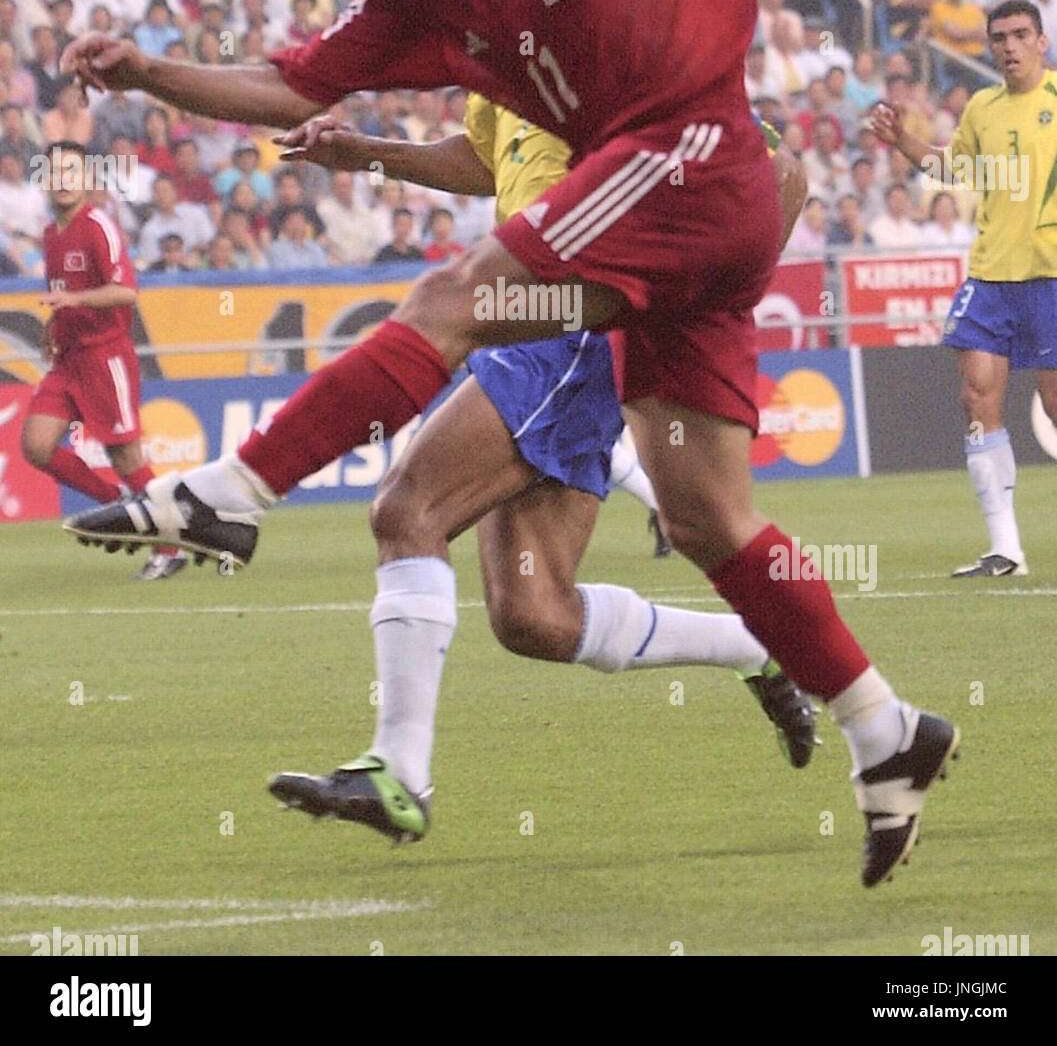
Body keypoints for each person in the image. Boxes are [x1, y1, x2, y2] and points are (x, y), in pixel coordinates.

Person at [62, 0, 998, 888]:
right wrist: (151, 74)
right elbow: (293, 80)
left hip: (690, 152)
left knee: (455, 304)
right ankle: (884, 729)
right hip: (671, 233)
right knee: (704, 517)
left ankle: (232, 493)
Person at [261, 94, 815, 839]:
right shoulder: (501, 49)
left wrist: (704, 313)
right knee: (534, 616)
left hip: (572, 323)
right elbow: (486, 161)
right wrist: (366, 152)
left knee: (406, 510)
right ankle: (756, 646)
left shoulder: (618, 30)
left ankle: (397, 773)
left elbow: (779, 172)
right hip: (524, 320)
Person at [871, 0, 1057, 579]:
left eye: (1021, 35)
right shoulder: (982, 106)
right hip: (991, 277)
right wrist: (904, 142)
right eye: (999, 37)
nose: (1009, 46)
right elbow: (953, 170)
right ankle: (1006, 549)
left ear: (1042, 40)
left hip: (1050, 275)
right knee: (977, 399)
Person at [20, 143, 187, 581]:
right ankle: (117, 504)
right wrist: (53, 324)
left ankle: (171, 547)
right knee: (36, 445)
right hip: (69, 359)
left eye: (71, 170)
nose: (62, 178)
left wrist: (73, 299)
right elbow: (63, 290)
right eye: (55, 171)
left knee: (126, 455)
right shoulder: (51, 232)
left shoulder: (98, 226)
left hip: (105, 355)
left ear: (86, 178)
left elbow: (127, 292)